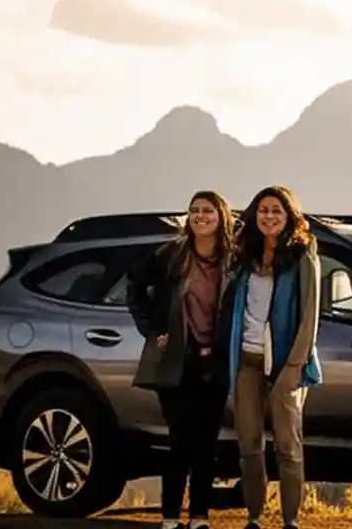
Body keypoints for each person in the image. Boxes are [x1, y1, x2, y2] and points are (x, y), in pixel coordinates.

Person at [126, 190, 236, 529]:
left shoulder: (232, 260)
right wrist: (152, 328)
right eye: (194, 211)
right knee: (180, 442)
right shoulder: (171, 255)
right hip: (177, 362)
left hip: (214, 363)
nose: (200, 216)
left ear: (222, 218)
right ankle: (171, 517)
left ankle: (200, 517)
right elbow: (134, 286)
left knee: (206, 445)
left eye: (207, 211)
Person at [220, 185, 323, 529]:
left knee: (287, 446)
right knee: (249, 445)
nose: (269, 216)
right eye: (263, 210)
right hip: (247, 361)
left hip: (285, 365)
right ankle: (253, 517)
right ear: (254, 215)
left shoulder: (302, 255)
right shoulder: (244, 257)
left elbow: (310, 315)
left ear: (289, 216)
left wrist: (295, 366)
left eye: (276, 210)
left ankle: (291, 520)